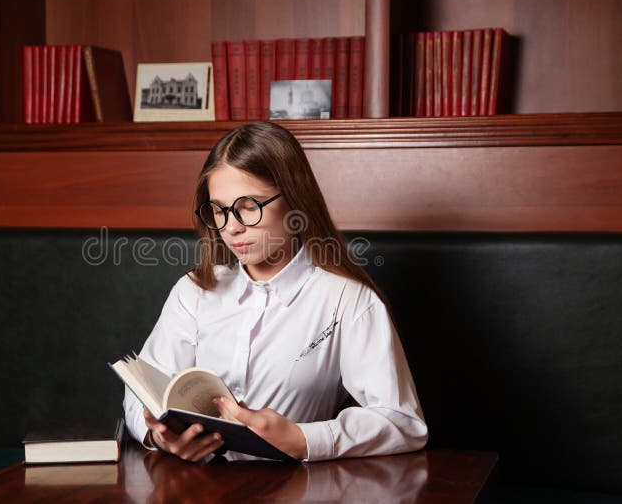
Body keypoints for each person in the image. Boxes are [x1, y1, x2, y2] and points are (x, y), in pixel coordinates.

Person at [123, 121, 427, 462]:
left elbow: (403, 422)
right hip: (194, 490)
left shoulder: (347, 300)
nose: (232, 227)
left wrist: (302, 439)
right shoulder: (193, 292)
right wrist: (159, 437)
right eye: (219, 210)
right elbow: (141, 394)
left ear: (294, 200)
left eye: (249, 206)